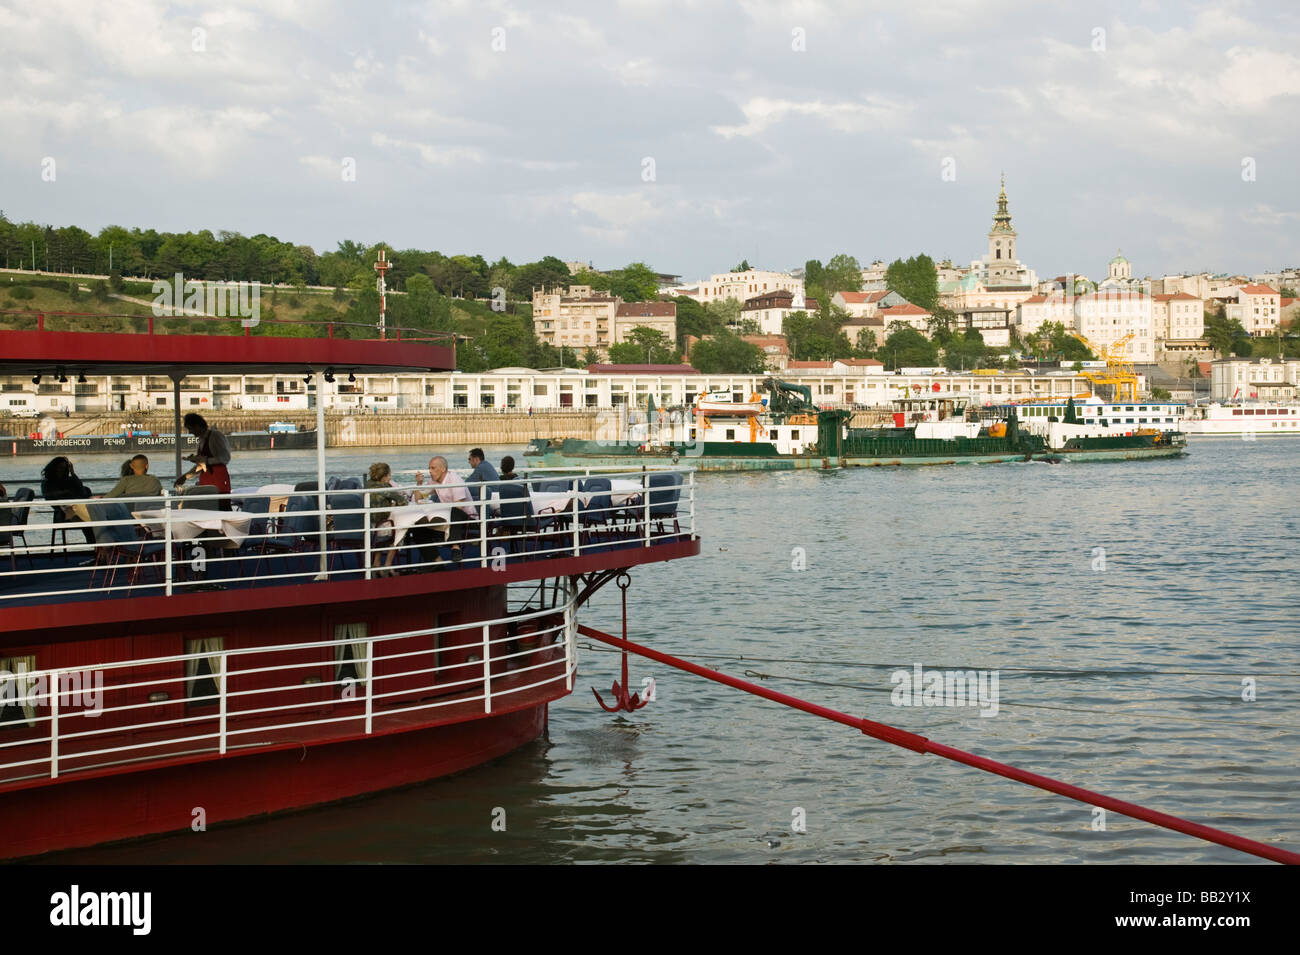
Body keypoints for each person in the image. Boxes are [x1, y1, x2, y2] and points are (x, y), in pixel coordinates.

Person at [410, 455, 476, 565]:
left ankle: (455, 548)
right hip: (447, 519)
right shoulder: (433, 481)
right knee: (418, 529)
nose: (430, 471)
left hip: (468, 520)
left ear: (443, 469)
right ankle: (438, 562)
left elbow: (460, 506)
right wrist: (419, 484)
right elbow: (418, 499)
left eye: (433, 468)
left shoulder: (454, 479)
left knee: (454, 510)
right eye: (429, 468)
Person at [179, 413, 232, 509]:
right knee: (207, 506)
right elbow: (201, 464)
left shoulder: (216, 436)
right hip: (206, 479)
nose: (190, 432)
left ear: (198, 425)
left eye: (191, 428)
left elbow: (225, 457)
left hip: (218, 478)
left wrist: (205, 460)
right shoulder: (201, 441)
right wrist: (185, 477)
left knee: (222, 506)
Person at [40, 456, 95, 547]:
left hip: (77, 508)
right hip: (63, 512)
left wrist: (73, 474)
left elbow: (82, 490)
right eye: (60, 468)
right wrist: (70, 495)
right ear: (54, 468)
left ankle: (100, 551)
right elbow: (53, 497)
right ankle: (98, 550)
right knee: (89, 522)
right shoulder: (48, 483)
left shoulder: (68, 480)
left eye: (65, 468)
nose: (62, 470)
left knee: (94, 519)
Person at [364, 462, 407, 576]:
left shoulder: (368, 484)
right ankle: (388, 565)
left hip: (369, 525)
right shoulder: (385, 487)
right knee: (401, 531)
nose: (390, 477)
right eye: (389, 475)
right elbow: (403, 501)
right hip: (381, 526)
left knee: (382, 536)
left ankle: (376, 564)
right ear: (384, 477)